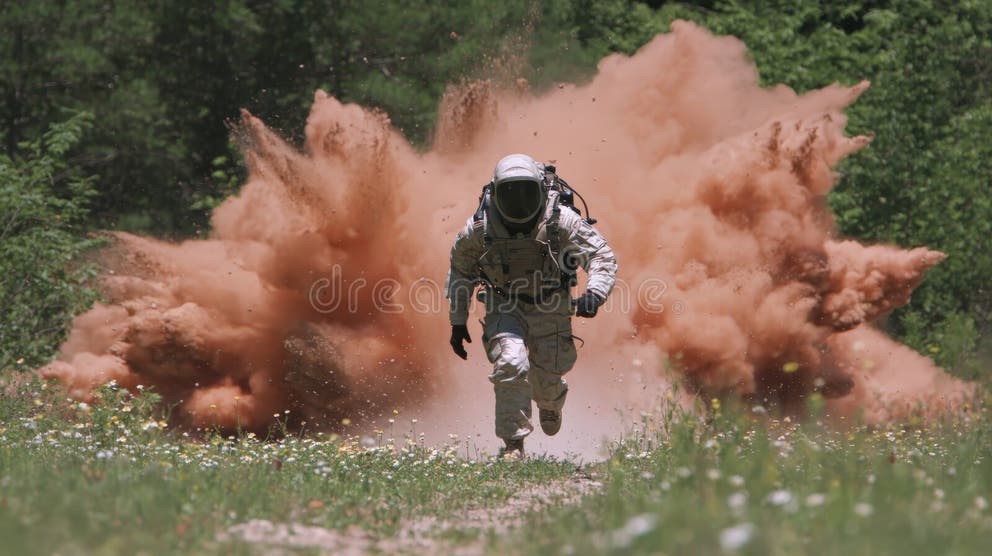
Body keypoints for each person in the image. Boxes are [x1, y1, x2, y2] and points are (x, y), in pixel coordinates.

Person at [446, 153, 617, 458]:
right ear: (496, 194)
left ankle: (550, 401)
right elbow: (461, 270)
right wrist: (457, 320)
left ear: (540, 190)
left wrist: (595, 293)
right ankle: (514, 446)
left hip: (551, 304)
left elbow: (601, 256)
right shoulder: (481, 228)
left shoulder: (560, 220)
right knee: (511, 364)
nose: (519, 201)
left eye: (526, 193)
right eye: (510, 194)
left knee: (548, 380)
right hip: (504, 304)